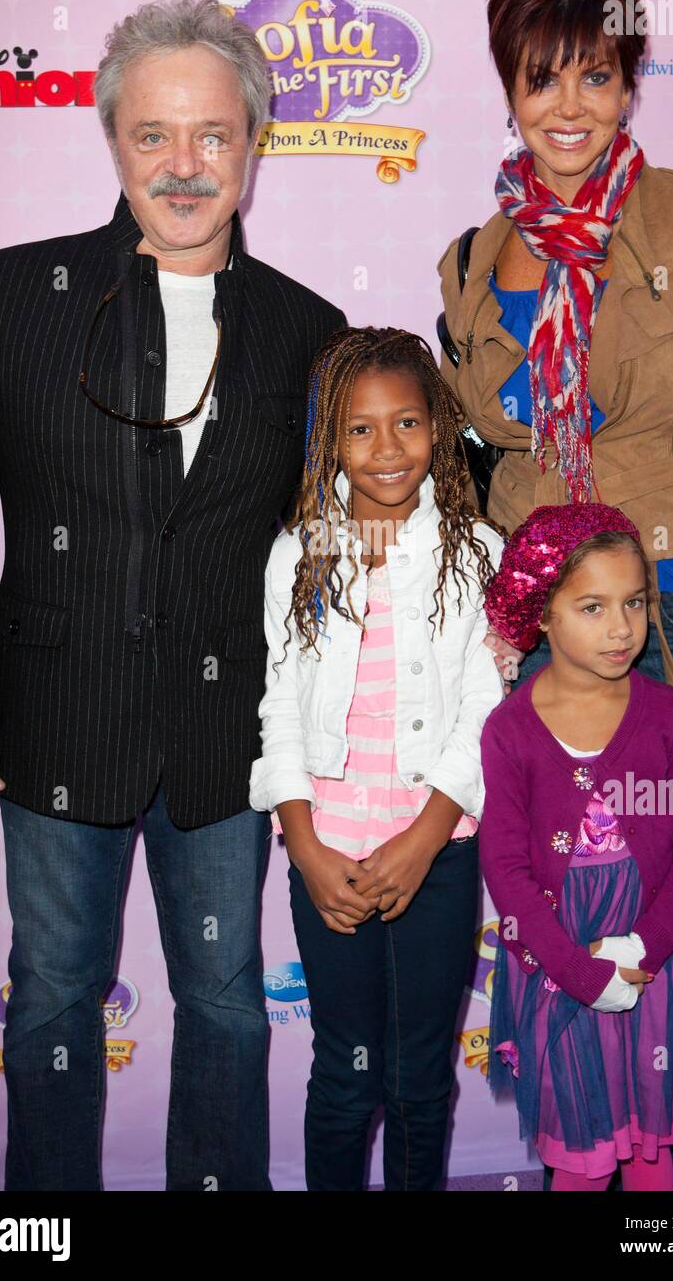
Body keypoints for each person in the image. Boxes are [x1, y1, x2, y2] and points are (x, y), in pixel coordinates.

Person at [0, 0, 346, 1191]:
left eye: (212, 135)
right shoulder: (2, 295)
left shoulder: (309, 330)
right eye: (154, 135)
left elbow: (332, 550)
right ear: (111, 140)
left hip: (225, 737)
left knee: (225, 1002)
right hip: (53, 714)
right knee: (53, 994)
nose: (184, 164)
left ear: (254, 146)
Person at [437, 0, 673, 1191]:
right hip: (540, 636)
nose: (567, 104)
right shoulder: (480, 255)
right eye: (543, 77)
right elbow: (477, 455)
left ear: (632, 81)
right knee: (568, 945)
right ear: (509, 89)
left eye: (594, 72)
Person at [248, 327, 506, 1190]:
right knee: (346, 1075)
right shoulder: (302, 555)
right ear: (329, 437)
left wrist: (428, 834)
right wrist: (306, 848)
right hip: (328, 861)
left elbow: (483, 711)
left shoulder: (476, 555)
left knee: (421, 1078)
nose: (386, 448)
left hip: (435, 856)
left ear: (437, 426)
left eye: (406, 423)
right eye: (360, 429)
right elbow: (279, 705)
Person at [479, 503, 673, 1191]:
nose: (622, 628)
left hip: (658, 961)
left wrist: (641, 948)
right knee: (581, 1152)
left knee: (651, 1148)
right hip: (561, 962)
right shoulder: (509, 731)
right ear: (542, 614)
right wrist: (580, 972)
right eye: (592, 607)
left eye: (634, 602)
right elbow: (506, 869)